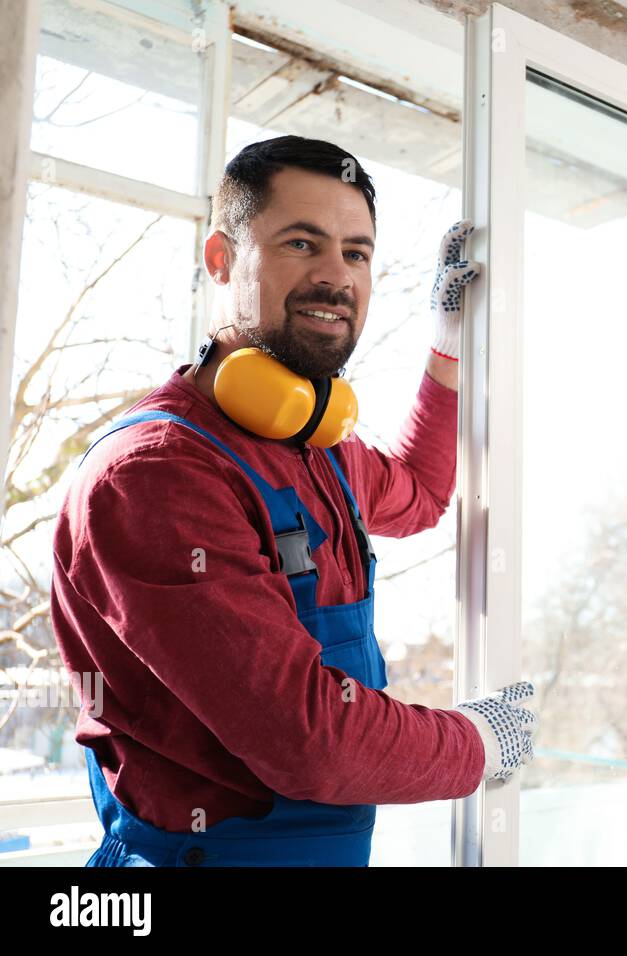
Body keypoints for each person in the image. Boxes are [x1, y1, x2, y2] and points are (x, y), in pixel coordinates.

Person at [51, 135, 536, 867]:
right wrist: (474, 742)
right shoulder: (156, 476)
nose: (335, 277)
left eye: (357, 253)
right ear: (221, 259)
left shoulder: (320, 451)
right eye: (302, 243)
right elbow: (307, 740)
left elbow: (424, 494)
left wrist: (448, 350)